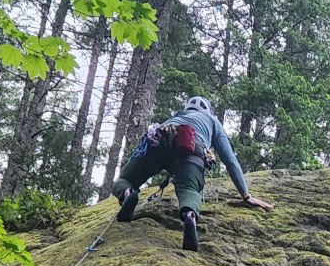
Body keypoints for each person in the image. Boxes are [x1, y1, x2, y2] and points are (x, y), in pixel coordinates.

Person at [111, 95, 274, 250]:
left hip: (159, 141)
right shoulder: (212, 120)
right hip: (191, 146)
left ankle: (127, 194)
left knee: (125, 179)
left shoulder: (175, 117)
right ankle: (189, 216)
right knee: (189, 188)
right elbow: (230, 160)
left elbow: (145, 148)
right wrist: (246, 195)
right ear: (208, 110)